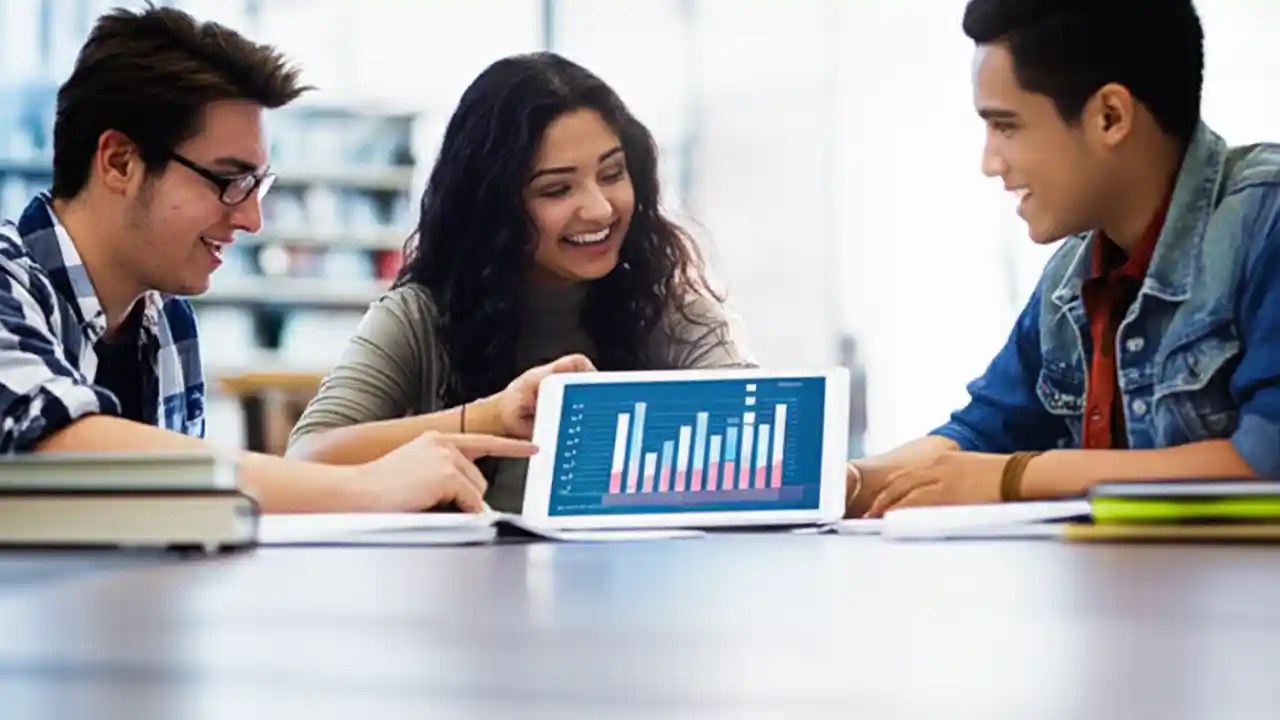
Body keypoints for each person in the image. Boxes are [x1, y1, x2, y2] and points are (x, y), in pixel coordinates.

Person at [0, 5, 535, 513]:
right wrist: (364, 486)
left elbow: (174, 520)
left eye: (257, 184)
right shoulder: (8, 280)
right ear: (119, 162)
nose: (252, 219)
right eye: (230, 181)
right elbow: (57, 445)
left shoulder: (164, 321)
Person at [846, 0, 1280, 517]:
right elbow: (979, 436)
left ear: (1109, 117)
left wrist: (1018, 476)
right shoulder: (1073, 274)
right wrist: (849, 483)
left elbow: (1266, 458)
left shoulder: (1263, 219)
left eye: (1006, 127)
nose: (990, 163)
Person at [287, 52, 753, 511]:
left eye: (612, 174)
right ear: (494, 208)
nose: (600, 209)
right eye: (556, 189)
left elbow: (763, 441)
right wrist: (493, 415)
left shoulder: (665, 309)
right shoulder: (419, 317)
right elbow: (309, 457)